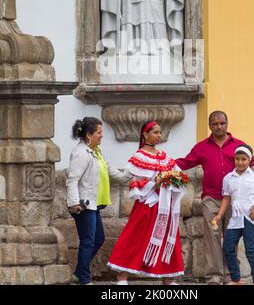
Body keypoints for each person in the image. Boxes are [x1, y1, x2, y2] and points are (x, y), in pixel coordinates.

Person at [175, 110, 254, 285]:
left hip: (234, 202)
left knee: (232, 238)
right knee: (212, 239)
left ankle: (231, 275)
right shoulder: (201, 147)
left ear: (227, 124)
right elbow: (185, 163)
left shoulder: (237, 144)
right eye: (215, 124)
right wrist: (162, 164)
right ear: (210, 126)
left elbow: (251, 160)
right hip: (211, 201)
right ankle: (214, 277)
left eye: (222, 123)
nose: (219, 126)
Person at [107, 121, 185, 285]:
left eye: (159, 132)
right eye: (155, 132)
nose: (159, 136)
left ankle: (168, 278)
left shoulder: (163, 155)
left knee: (166, 237)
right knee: (135, 237)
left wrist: (172, 181)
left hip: (164, 206)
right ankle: (122, 275)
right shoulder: (139, 156)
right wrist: (154, 184)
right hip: (147, 204)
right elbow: (135, 180)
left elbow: (176, 174)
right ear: (145, 134)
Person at [66, 117, 130, 285]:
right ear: (89, 135)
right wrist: (73, 203)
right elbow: (72, 179)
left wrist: (132, 174)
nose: (102, 136)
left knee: (98, 239)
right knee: (88, 241)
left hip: (93, 204)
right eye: (99, 132)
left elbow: (112, 172)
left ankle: (79, 272)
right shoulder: (81, 153)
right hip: (83, 205)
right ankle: (84, 279)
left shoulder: (96, 151)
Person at [212, 145, 254, 285]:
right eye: (237, 159)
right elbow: (226, 198)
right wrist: (219, 215)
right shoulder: (228, 178)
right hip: (236, 218)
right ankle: (236, 279)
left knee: (250, 249)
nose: (240, 162)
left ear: (249, 160)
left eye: (244, 159)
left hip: (251, 217)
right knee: (228, 247)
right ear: (234, 160)